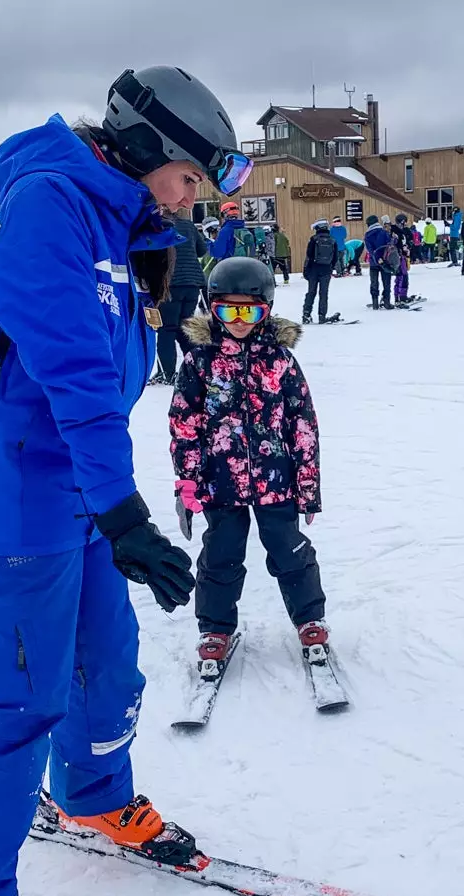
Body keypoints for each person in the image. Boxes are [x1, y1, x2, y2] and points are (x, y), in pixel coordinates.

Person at [0, 64, 246, 896]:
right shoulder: (52, 209)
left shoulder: (114, 223)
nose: (189, 204)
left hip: (76, 496)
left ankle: (93, 791)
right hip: (13, 500)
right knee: (18, 701)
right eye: (185, 181)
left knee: (108, 657)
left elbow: (112, 370)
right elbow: (76, 380)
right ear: (142, 151)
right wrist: (126, 512)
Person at [170, 256, 327, 678]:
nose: (239, 320)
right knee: (220, 556)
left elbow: (303, 424)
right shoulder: (199, 361)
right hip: (219, 483)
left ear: (267, 309)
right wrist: (187, 479)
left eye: (249, 310)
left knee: (290, 552)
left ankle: (310, 619)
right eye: (228, 310)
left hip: (277, 482)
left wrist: (308, 486)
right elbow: (184, 423)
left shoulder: (280, 361)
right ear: (212, 307)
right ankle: (216, 629)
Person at [152, 206, 208, 385]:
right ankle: (196, 366)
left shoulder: (160, 225)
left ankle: (166, 373)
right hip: (192, 283)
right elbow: (202, 250)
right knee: (184, 327)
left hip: (171, 283)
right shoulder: (189, 225)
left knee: (167, 329)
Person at [301, 218, 339, 324]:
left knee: (311, 292)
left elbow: (309, 255)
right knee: (324, 293)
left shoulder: (314, 239)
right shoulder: (333, 240)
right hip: (326, 270)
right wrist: (331, 267)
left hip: (313, 269)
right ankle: (322, 316)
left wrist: (306, 270)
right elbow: (335, 257)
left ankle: (306, 315)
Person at [363, 214, 395, 309]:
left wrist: (376, 258)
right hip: (385, 261)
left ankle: (375, 303)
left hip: (373, 262)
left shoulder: (367, 235)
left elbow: (369, 249)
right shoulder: (384, 232)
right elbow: (389, 245)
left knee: (374, 283)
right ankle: (386, 302)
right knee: (386, 282)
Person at [390, 213, 414, 305]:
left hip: (403, 255)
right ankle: (401, 297)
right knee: (402, 276)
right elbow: (394, 243)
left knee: (402, 276)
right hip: (398, 256)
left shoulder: (405, 231)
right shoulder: (395, 231)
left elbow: (409, 241)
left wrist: (409, 245)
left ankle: (399, 296)